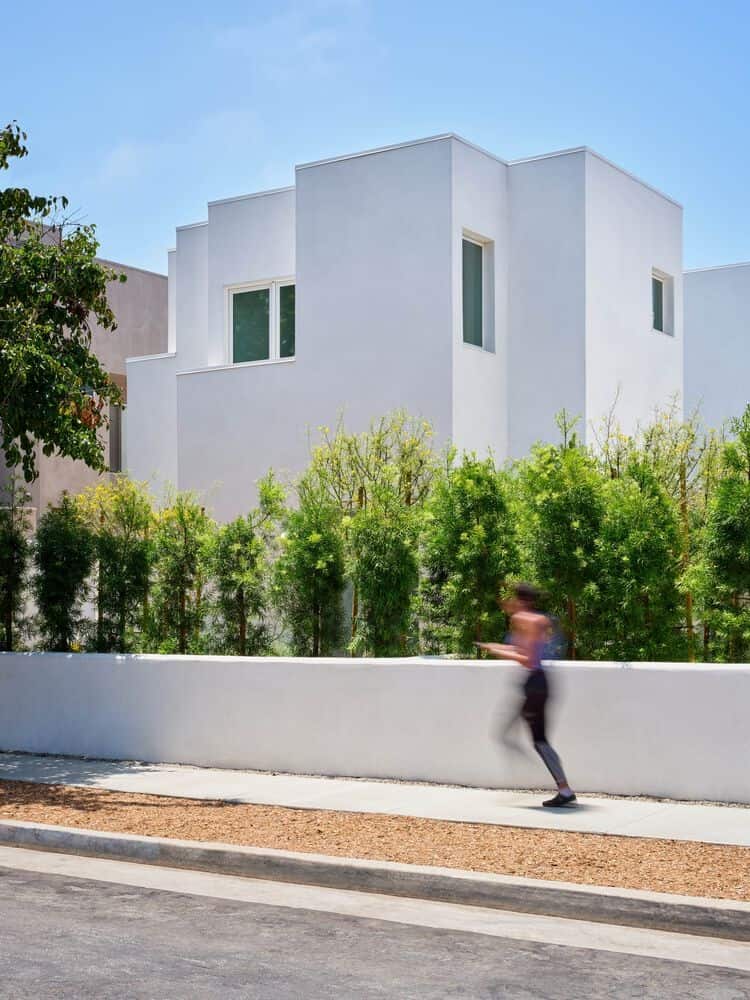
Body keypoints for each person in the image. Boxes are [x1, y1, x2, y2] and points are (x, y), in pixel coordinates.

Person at [476, 583, 576, 808]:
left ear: (521, 600)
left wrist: (497, 651)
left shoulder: (522, 619)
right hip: (540, 682)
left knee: (538, 740)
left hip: (533, 683)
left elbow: (527, 659)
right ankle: (559, 785)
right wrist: (497, 647)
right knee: (521, 736)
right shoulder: (539, 621)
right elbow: (527, 652)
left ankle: (564, 788)